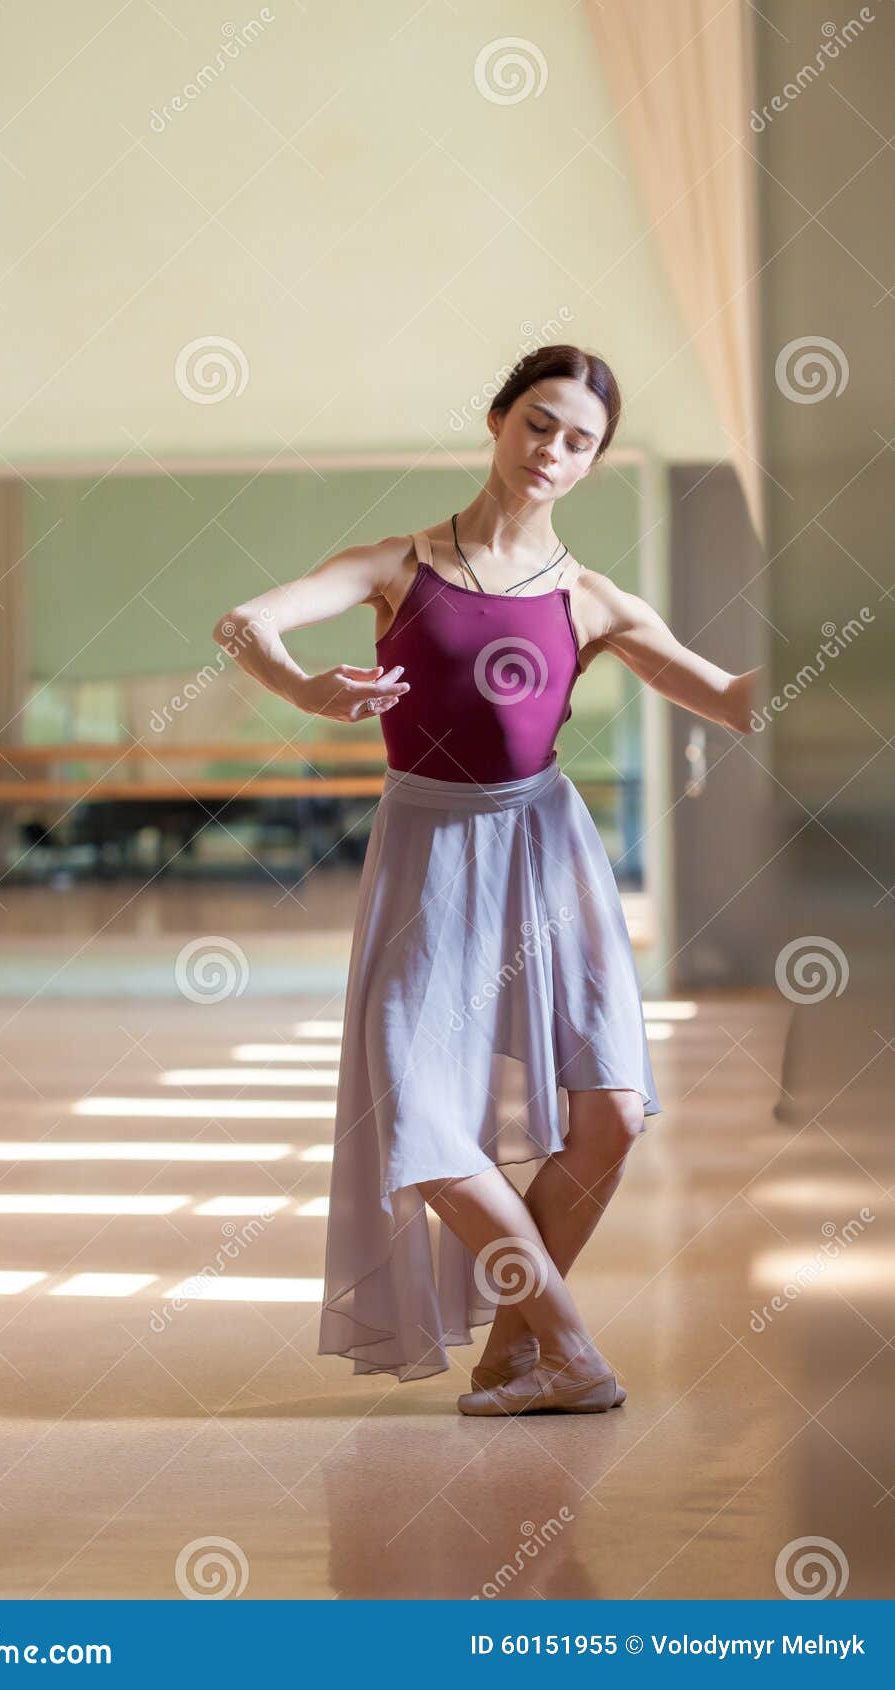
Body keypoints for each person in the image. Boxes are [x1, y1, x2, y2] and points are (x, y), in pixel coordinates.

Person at [212, 344, 762, 1416]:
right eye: (537, 423)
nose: (551, 450)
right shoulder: (394, 567)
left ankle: (522, 1348)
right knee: (415, 1117)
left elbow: (739, 703)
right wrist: (303, 687)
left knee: (607, 1118)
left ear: (592, 462)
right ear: (497, 419)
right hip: (426, 853)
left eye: (578, 440)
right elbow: (246, 621)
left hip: (547, 852)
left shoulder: (592, 601)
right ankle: (571, 1350)